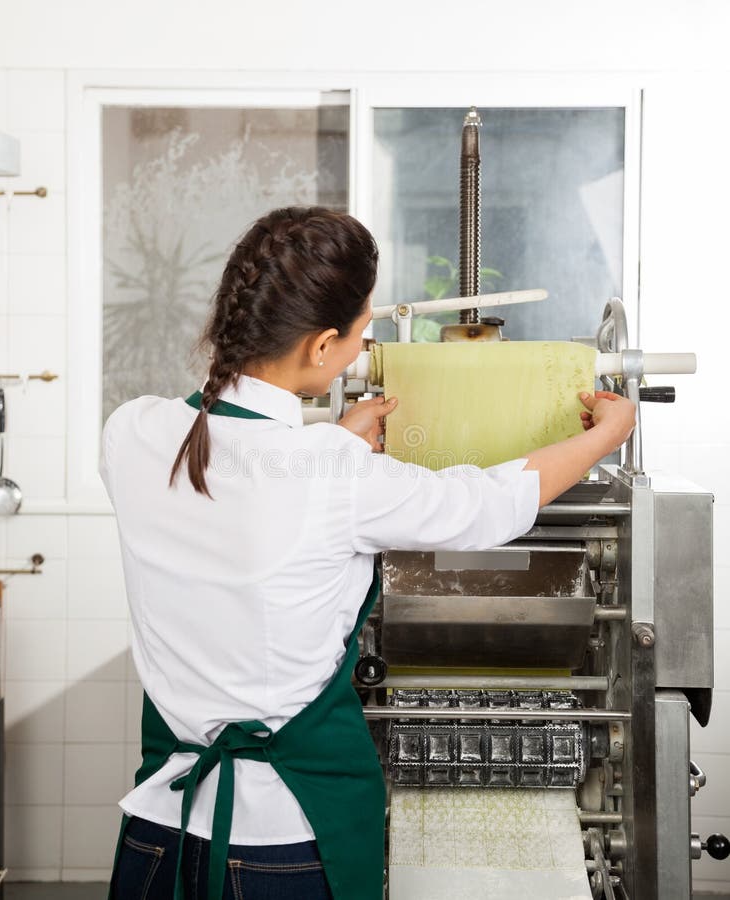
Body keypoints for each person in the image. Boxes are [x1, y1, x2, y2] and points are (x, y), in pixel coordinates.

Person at [100, 206, 635, 900]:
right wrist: (604, 435)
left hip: (157, 836)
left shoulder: (131, 432)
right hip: (280, 844)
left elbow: (245, 489)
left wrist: (341, 442)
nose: (362, 348)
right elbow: (485, 504)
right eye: (359, 334)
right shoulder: (331, 473)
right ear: (322, 347)